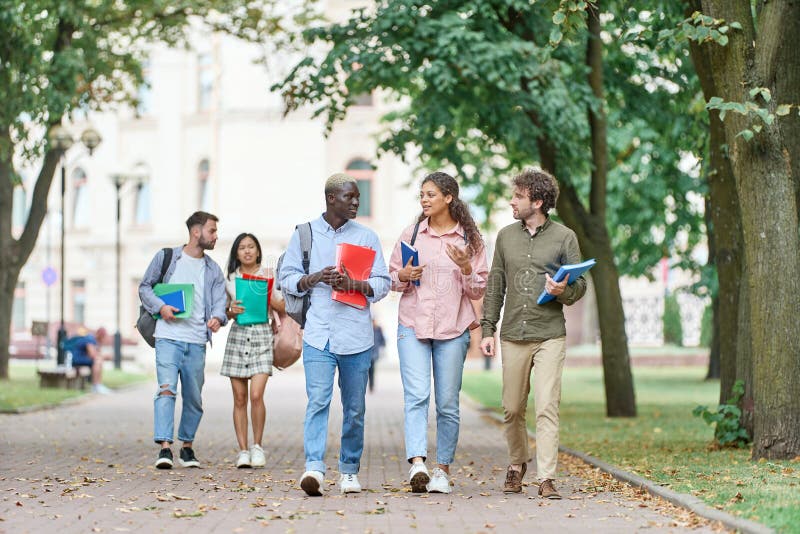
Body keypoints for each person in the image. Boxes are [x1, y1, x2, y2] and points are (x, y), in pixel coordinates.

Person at [279, 173, 390, 496]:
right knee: (317, 401)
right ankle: (313, 467)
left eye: (357, 197)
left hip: (356, 336)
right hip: (318, 334)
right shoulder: (304, 234)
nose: (357, 202)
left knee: (354, 408)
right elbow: (286, 277)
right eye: (350, 197)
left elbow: (383, 283)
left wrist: (355, 284)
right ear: (331, 199)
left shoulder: (367, 237)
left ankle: (349, 470)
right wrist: (315, 277)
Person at [480, 168, 587, 499]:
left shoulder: (565, 237)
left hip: (549, 334)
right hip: (513, 333)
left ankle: (547, 477)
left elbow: (580, 284)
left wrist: (562, 292)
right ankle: (517, 464)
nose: (512, 201)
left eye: (518, 197)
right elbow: (495, 284)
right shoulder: (505, 237)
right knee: (512, 408)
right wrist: (487, 328)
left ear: (538, 202)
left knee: (546, 406)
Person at [389, 171, 488, 494]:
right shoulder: (411, 234)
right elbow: (391, 279)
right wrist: (403, 274)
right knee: (416, 396)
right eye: (422, 194)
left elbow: (477, 291)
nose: (424, 199)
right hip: (413, 324)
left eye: (431, 194)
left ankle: (442, 469)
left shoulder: (469, 241)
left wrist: (466, 268)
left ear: (449, 198)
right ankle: (417, 464)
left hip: (453, 328)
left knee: (447, 403)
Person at [138, 211, 227, 470]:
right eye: (212, 231)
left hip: (196, 341)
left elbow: (220, 300)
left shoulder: (212, 269)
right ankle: (165, 448)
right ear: (196, 232)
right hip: (168, 337)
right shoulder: (166, 257)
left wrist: (218, 318)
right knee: (166, 389)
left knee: (193, 397)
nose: (215, 236)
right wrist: (161, 307)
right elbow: (145, 287)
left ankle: (187, 447)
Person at [222, 233, 278, 469]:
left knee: (256, 395)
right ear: (236, 252)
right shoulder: (230, 279)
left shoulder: (268, 275)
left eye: (251, 247)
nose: (247, 251)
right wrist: (230, 310)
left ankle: (258, 446)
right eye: (242, 247)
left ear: (258, 250)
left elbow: (283, 306)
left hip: (262, 335)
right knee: (239, 398)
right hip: (238, 334)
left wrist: (266, 297)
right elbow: (225, 312)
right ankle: (243, 450)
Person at [65, 327, 112, 394]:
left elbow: (96, 353)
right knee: (98, 361)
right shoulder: (90, 339)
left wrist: (100, 346)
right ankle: (96, 386)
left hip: (82, 359)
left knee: (98, 360)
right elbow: (93, 355)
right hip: (77, 360)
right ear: (100, 335)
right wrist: (105, 356)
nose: (104, 339)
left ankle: (98, 385)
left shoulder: (94, 341)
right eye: (103, 336)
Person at [368, 319, 385, 393]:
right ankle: (367, 385)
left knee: (372, 370)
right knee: (365, 370)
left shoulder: (378, 329)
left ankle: (371, 386)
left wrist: (382, 347)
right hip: (367, 352)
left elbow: (382, 340)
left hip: (374, 353)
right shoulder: (367, 328)